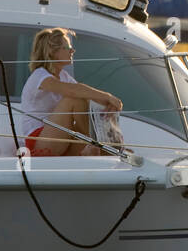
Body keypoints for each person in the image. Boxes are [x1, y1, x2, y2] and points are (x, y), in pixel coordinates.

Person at [19, 28, 122, 157]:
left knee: (82, 100)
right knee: (72, 100)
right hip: (38, 142)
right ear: (52, 52)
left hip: (59, 139)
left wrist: (108, 104)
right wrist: (108, 96)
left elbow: (85, 95)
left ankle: (109, 146)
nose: (72, 50)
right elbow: (74, 91)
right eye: (67, 47)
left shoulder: (63, 76)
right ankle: (99, 146)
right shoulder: (39, 76)